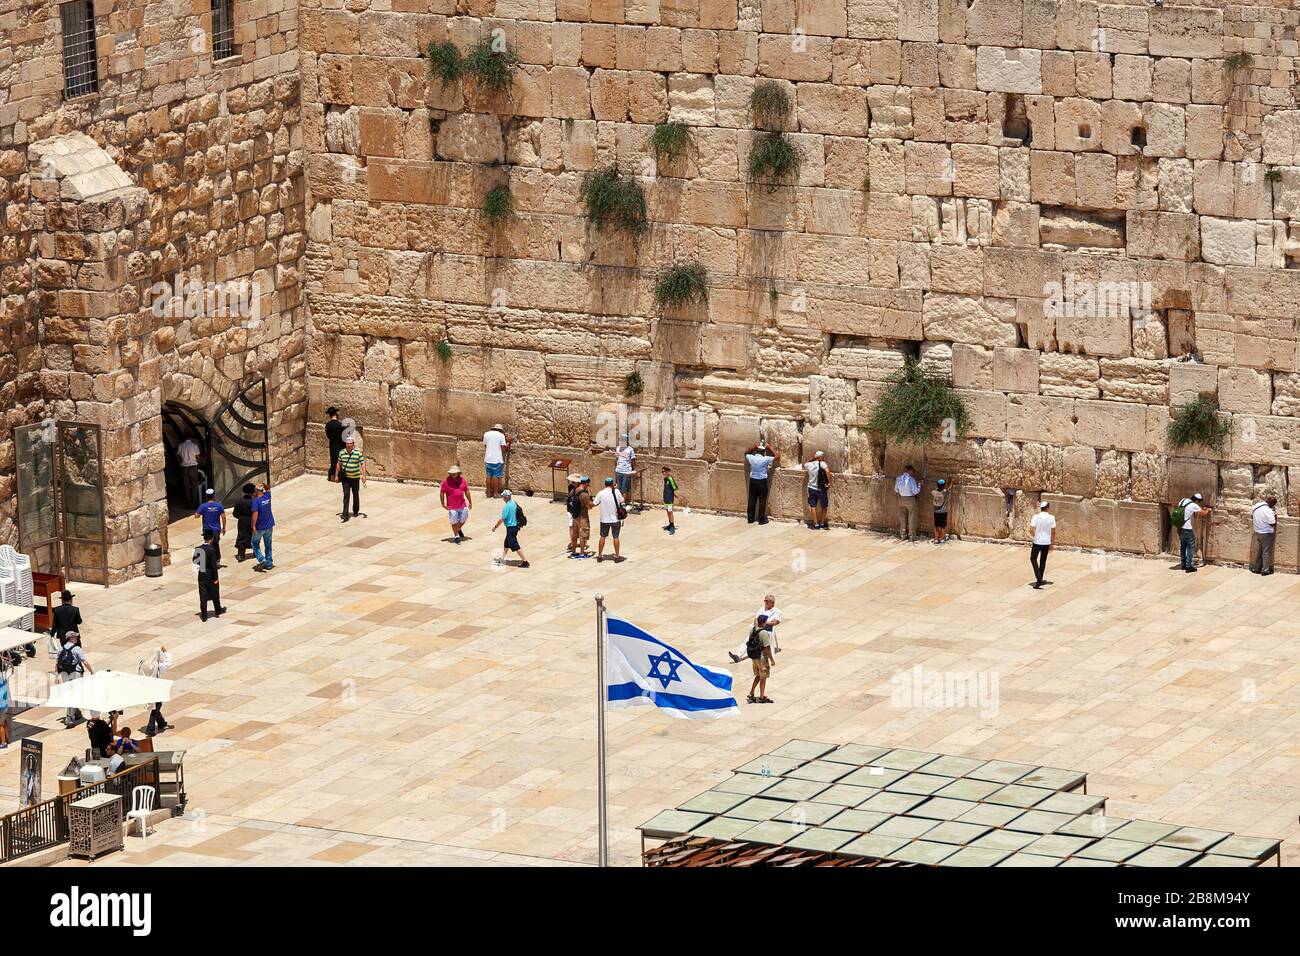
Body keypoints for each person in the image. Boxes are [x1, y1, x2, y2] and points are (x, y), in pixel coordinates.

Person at [729, 595, 783, 662]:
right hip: (759, 628)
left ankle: (769, 657)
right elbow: (756, 619)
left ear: (772, 602)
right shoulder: (762, 609)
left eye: (766, 601)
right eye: (764, 601)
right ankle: (738, 656)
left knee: (761, 639)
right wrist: (759, 624)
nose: (765, 602)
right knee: (747, 640)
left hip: (768, 630)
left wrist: (765, 623)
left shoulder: (777, 611)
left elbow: (776, 622)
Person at [55, 631, 92, 726]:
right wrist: (92, 671)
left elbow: (57, 663)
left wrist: (57, 675)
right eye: (75, 637)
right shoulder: (77, 649)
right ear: (71, 638)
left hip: (65, 674)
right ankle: (69, 717)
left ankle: (77, 712)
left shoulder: (61, 649)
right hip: (75, 674)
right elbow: (85, 662)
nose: (77, 638)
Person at [1173, 492, 1211, 572]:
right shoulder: (1194, 505)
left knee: (1183, 546)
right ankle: (1189, 566)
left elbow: (1187, 510)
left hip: (1180, 527)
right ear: (1197, 500)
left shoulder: (1183, 500)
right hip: (1187, 529)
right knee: (1190, 547)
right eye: (1199, 501)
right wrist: (1208, 510)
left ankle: (1183, 564)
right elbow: (1203, 514)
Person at [491, 489, 530, 567]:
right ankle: (502, 559)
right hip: (515, 527)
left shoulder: (507, 507)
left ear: (505, 497)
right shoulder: (514, 503)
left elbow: (502, 519)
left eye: (503, 496)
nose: (503, 498)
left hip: (511, 528)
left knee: (515, 545)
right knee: (507, 543)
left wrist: (495, 527)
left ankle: (525, 561)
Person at [141, 646, 173, 736]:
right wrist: (166, 653)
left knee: (156, 707)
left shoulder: (143, 663)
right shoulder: (157, 666)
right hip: (155, 690)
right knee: (155, 708)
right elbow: (168, 663)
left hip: (146, 689)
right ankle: (150, 730)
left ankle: (161, 722)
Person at [194, 529, 226, 621]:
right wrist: (216, 578)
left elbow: (195, 561)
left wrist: (202, 563)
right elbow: (213, 565)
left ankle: (204, 615)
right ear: (211, 539)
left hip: (202, 574)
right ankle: (218, 609)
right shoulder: (212, 549)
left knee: (203, 594)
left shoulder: (198, 548)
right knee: (215, 592)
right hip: (210, 574)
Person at [745, 442, 779, 524]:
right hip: (762, 482)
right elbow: (777, 456)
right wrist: (769, 448)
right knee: (762, 500)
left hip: (753, 481)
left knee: (751, 500)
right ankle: (761, 519)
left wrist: (754, 447)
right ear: (763, 452)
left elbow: (746, 453)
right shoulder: (765, 459)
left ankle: (750, 519)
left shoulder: (751, 458)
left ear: (757, 451)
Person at [594, 477, 626, 563]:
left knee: (602, 537)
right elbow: (622, 500)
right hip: (615, 519)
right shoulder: (616, 491)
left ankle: (600, 556)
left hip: (604, 520)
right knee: (616, 537)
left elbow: (594, 503)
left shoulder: (601, 493)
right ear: (612, 484)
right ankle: (617, 556)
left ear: (605, 484)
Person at [336, 435, 367, 521]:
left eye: (350, 444)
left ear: (353, 444)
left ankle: (356, 510)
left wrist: (364, 475)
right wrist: (336, 475)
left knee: (355, 494)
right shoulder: (341, 452)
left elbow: (362, 463)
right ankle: (345, 514)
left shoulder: (357, 453)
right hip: (345, 478)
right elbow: (338, 464)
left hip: (355, 478)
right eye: (347, 444)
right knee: (346, 495)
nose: (349, 445)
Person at [745, 622, 775, 705]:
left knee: (757, 676)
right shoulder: (764, 633)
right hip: (761, 658)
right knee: (763, 677)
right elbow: (767, 648)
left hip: (754, 657)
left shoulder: (752, 628)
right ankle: (762, 697)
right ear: (764, 623)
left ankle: (751, 692)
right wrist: (771, 660)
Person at [440, 465, 472, 543]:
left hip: (462, 504)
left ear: (458, 473)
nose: (453, 474)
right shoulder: (445, 482)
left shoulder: (462, 480)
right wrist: (443, 503)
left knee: (463, 518)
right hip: (452, 506)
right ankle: (456, 536)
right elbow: (442, 492)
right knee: (454, 521)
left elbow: (466, 491)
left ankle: (458, 528)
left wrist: (470, 502)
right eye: (452, 473)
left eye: (455, 473)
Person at [196, 488, 226, 566]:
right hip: (216, 529)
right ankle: (217, 560)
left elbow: (196, 516)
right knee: (216, 544)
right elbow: (223, 517)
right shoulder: (219, 506)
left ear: (206, 496)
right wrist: (224, 527)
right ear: (214, 496)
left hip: (207, 530)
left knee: (208, 545)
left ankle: (209, 560)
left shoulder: (203, 506)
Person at [1029, 501, 1055, 589]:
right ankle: (1040, 579)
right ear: (1047, 508)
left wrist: (1035, 535)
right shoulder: (1051, 517)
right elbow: (1053, 531)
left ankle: (1039, 578)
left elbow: (1031, 528)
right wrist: (1052, 543)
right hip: (1046, 542)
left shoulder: (1036, 517)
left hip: (1037, 542)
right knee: (1043, 560)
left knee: (1033, 558)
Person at [251, 480, 275, 571]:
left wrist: (253, 525)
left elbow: (255, 513)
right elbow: (268, 489)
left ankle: (261, 559)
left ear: (257, 491)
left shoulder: (256, 501)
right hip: (269, 525)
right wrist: (263, 484)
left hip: (260, 527)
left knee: (254, 543)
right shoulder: (267, 496)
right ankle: (269, 563)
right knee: (268, 544)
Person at [1250, 495, 1277, 575]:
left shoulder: (1256, 505)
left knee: (1260, 550)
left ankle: (1256, 568)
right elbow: (1272, 523)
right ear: (1272, 504)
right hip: (1266, 533)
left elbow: (1252, 515)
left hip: (1258, 532)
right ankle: (1265, 570)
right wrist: (1275, 516)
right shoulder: (1268, 510)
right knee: (1266, 552)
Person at [804, 451, 831, 529]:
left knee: (813, 506)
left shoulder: (809, 465)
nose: (824, 458)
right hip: (821, 488)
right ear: (820, 457)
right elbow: (827, 471)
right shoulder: (822, 464)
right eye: (823, 457)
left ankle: (816, 524)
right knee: (824, 506)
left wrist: (813, 457)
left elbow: (805, 463)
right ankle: (822, 523)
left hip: (811, 488)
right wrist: (829, 482)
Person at [895, 464, 921, 541]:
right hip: (910, 500)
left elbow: (896, 490)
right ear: (909, 471)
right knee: (911, 518)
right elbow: (915, 491)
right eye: (912, 471)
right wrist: (919, 486)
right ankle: (911, 536)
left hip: (901, 499)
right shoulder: (911, 480)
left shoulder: (899, 479)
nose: (913, 473)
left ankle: (902, 535)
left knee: (902, 518)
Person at [483, 424, 510, 499]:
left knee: (488, 475)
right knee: (496, 476)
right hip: (497, 459)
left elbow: (485, 445)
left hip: (488, 458)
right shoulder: (501, 435)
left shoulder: (486, 434)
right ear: (501, 430)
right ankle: (495, 493)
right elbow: (504, 448)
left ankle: (488, 493)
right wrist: (508, 443)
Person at [571, 476, 594, 559]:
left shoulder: (573, 491)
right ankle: (582, 553)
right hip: (583, 517)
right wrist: (593, 502)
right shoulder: (584, 494)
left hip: (574, 516)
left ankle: (573, 552)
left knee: (574, 535)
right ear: (586, 483)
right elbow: (589, 506)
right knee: (583, 535)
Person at [177, 435, 201, 508]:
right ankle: (195, 503)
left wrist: (181, 462)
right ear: (190, 438)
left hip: (184, 467)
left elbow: (178, 455)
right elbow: (197, 456)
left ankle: (188, 504)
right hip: (193, 466)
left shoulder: (181, 445)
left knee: (186, 486)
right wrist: (198, 462)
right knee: (194, 486)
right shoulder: (194, 445)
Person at [233, 483, 255, 562]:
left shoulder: (239, 501)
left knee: (241, 536)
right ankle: (255, 552)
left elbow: (235, 513)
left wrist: (240, 517)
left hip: (242, 520)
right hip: (252, 520)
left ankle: (241, 555)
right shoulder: (254, 501)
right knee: (254, 536)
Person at [325, 407, 345, 482]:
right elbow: (343, 437)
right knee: (340, 461)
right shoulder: (340, 425)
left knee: (333, 460)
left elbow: (328, 435)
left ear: (329, 415)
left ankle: (332, 475)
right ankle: (339, 476)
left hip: (332, 444)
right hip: (340, 445)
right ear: (336, 414)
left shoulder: (327, 425)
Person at [615, 435, 637, 500]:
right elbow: (616, 459)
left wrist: (634, 470)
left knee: (624, 489)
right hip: (618, 471)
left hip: (626, 472)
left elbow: (633, 461)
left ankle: (623, 504)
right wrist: (615, 469)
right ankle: (620, 504)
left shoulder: (630, 449)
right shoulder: (618, 448)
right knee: (619, 489)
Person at [662, 466, 681, 535]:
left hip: (670, 499)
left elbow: (675, 488)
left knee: (670, 512)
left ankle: (672, 526)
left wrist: (676, 495)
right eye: (662, 472)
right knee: (667, 511)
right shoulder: (665, 479)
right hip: (665, 498)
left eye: (664, 471)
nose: (663, 473)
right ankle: (670, 524)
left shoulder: (670, 479)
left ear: (668, 472)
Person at [932, 478, 950, 544]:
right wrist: (951, 482)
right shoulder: (945, 492)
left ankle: (936, 539)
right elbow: (949, 488)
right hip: (943, 511)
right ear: (944, 485)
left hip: (936, 511)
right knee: (943, 526)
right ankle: (942, 539)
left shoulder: (935, 492)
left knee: (936, 525)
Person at [0, 669, 10, 749]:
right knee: (3, 723)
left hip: (1, 706)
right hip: (4, 705)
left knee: (0, 725)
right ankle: (7, 739)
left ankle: (3, 743)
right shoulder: (3, 679)